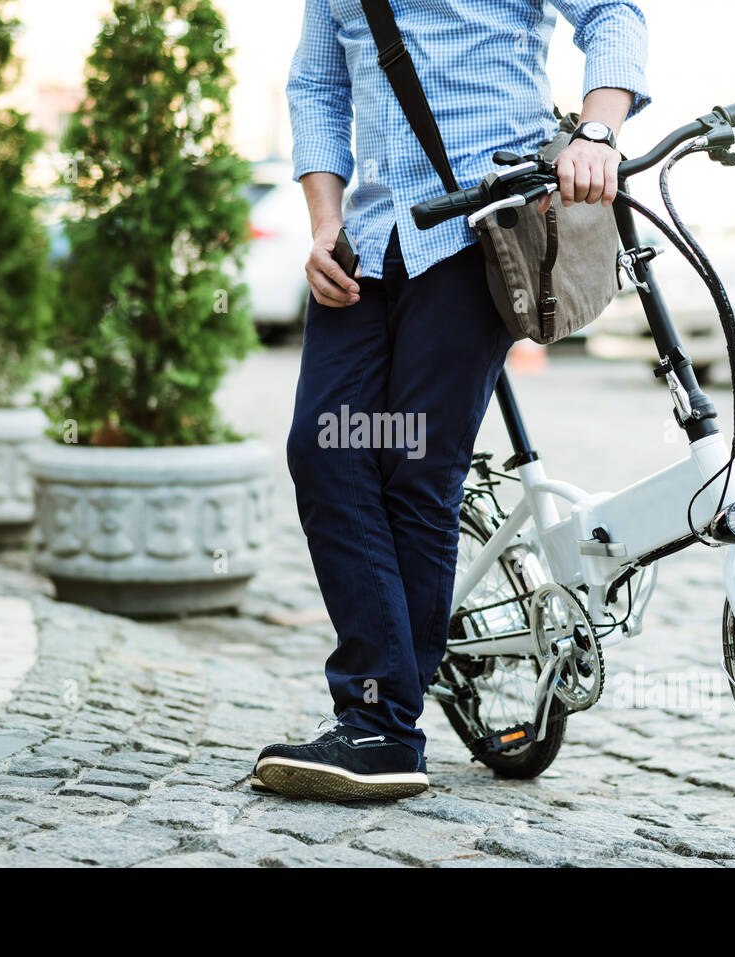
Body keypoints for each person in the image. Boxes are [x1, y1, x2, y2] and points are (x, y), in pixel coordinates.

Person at [253, 0, 649, 800]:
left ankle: (380, 723)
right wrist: (323, 220)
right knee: (323, 449)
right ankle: (384, 707)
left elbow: (614, 13)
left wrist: (596, 132)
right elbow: (318, 86)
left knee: (417, 472)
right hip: (367, 237)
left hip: (481, 227)